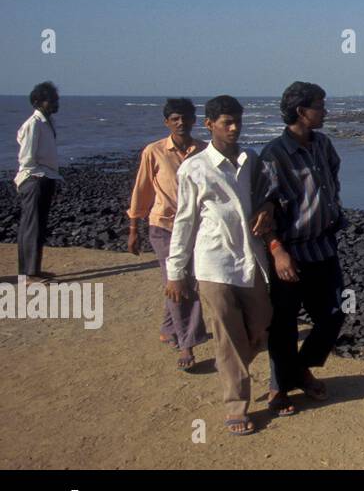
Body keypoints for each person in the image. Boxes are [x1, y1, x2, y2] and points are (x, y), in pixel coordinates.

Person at [166, 95, 274, 436]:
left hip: (251, 258)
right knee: (227, 335)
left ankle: (233, 365)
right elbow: (184, 222)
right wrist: (176, 273)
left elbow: (266, 193)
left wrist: (268, 208)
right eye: (226, 122)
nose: (234, 128)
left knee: (260, 325)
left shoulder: (251, 160)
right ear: (209, 125)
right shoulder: (194, 168)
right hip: (213, 263)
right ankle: (235, 405)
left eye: (237, 121)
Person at [259, 81, 346, 415]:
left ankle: (299, 368)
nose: (325, 111)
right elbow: (263, 210)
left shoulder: (323, 145)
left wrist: (333, 211)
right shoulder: (273, 156)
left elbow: (332, 184)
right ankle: (280, 386)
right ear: (301, 111)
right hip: (289, 254)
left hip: (324, 246)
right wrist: (277, 250)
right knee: (284, 323)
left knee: (336, 312)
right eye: (320, 106)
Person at [126, 98, 211, 370]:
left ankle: (168, 328)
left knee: (187, 279)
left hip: (196, 229)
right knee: (179, 281)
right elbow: (142, 191)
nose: (181, 123)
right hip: (163, 227)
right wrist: (133, 229)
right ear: (167, 122)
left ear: (194, 120)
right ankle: (187, 344)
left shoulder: (205, 150)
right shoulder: (155, 151)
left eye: (185, 117)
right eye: (175, 118)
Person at [14, 82, 61, 281]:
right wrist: (38, 176)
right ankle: (28, 273)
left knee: (38, 226)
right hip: (34, 178)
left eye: (55, 100)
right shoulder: (32, 124)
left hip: (45, 176)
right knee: (31, 226)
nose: (54, 104)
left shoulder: (47, 122)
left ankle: (33, 269)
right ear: (38, 102)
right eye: (50, 100)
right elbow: (26, 158)